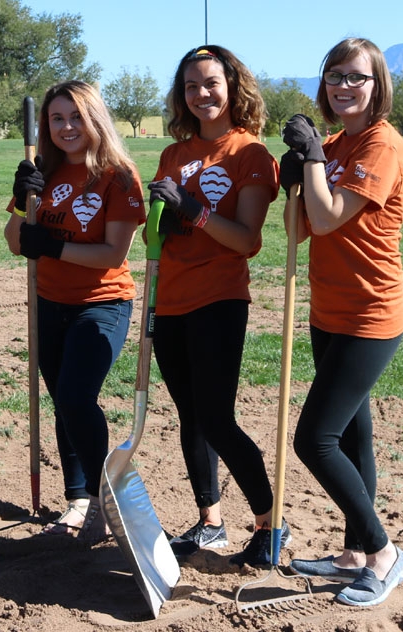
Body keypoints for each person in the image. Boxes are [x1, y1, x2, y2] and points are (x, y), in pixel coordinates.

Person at [281, 37, 403, 607]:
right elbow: (299, 230)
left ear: (377, 83)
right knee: (355, 437)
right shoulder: (333, 144)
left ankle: (385, 554)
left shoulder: (381, 145)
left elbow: (331, 217)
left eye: (356, 76)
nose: (343, 86)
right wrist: (296, 178)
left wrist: (313, 163)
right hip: (327, 310)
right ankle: (355, 552)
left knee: (315, 438)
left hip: (371, 314)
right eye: (334, 75)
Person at [146, 45, 287, 567]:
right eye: (190, 86)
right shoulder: (174, 154)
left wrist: (194, 210)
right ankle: (210, 522)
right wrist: (160, 213)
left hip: (219, 299)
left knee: (218, 418)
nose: (201, 94)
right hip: (172, 299)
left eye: (211, 83)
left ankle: (270, 523)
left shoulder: (250, 154)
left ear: (233, 88)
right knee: (190, 416)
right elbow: (155, 234)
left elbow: (247, 239)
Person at [4, 80, 146, 542]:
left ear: (95, 119)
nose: (66, 127)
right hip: (49, 304)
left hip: (102, 304)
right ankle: (78, 499)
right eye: (56, 118)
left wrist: (52, 246)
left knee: (75, 396)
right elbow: (14, 241)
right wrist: (22, 200)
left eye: (75, 117)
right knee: (64, 403)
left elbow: (111, 254)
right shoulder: (42, 170)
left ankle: (104, 500)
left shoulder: (118, 175)